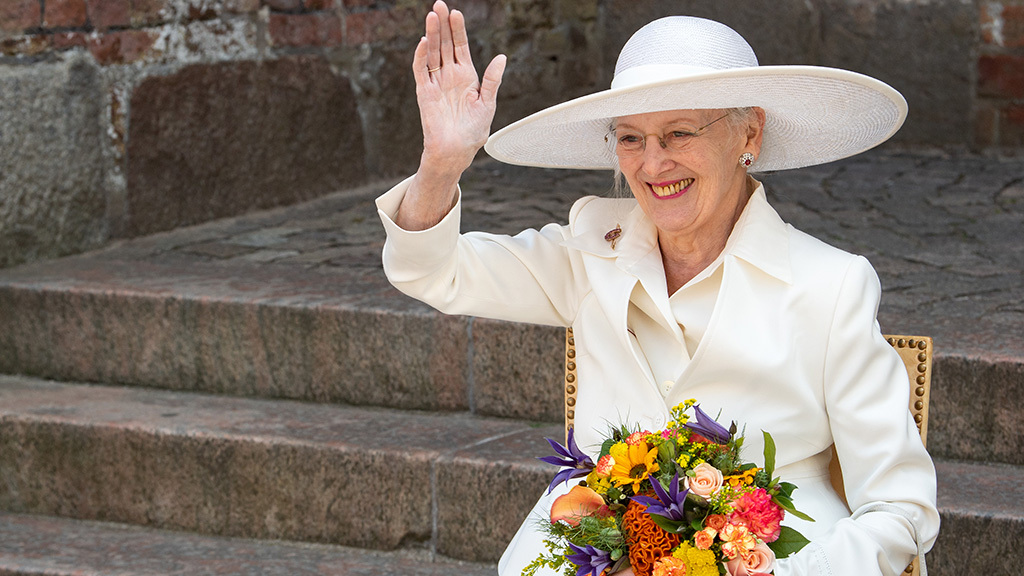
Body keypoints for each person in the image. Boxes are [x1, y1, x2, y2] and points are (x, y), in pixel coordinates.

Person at [375, 2, 940, 575]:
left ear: (751, 132)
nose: (652, 164)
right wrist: (441, 167)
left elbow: (901, 509)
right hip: (588, 552)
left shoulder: (832, 284)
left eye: (679, 133)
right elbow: (433, 271)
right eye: (630, 138)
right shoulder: (592, 246)